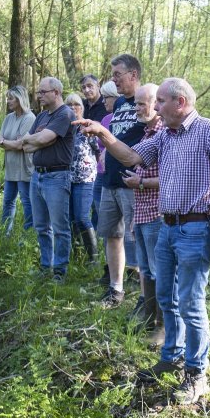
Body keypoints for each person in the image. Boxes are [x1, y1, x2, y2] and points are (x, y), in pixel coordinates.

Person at [75, 77, 210, 405]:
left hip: (196, 228)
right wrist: (102, 133)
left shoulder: (209, 130)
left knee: (190, 301)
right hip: (167, 226)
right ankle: (172, 355)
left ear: (180, 102)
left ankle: (197, 374)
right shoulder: (165, 136)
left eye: (160, 101)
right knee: (167, 296)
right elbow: (131, 157)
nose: (155, 108)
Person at [96, 54, 146, 308]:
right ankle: (116, 290)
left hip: (133, 181)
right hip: (110, 179)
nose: (113, 79)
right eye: (113, 74)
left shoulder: (147, 101)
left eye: (118, 74)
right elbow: (116, 136)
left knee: (139, 236)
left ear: (133, 75)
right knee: (112, 235)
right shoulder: (118, 104)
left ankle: (146, 296)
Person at [17, 77, 76, 283]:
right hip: (37, 175)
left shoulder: (65, 114)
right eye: (38, 92)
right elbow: (25, 145)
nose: (39, 96)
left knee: (60, 228)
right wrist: (41, 140)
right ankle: (45, 266)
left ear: (56, 93)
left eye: (43, 92)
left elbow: (38, 139)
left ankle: (59, 270)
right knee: (41, 226)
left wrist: (39, 139)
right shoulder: (42, 116)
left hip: (57, 176)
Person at [121, 83, 164, 346]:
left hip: (158, 212)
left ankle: (161, 326)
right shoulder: (147, 132)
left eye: (141, 103)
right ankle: (149, 318)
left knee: (159, 270)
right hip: (142, 210)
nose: (136, 108)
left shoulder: (163, 133)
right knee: (146, 269)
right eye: (135, 103)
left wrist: (141, 183)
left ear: (156, 104)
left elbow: (173, 178)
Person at [0, 85, 36, 233]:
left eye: (11, 98)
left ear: (20, 99)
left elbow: (21, 145)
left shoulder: (29, 118)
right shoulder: (8, 118)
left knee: (27, 202)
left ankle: (29, 234)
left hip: (24, 168)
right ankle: (4, 233)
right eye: (8, 98)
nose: (8, 101)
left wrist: (5, 142)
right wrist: (9, 142)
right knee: (8, 202)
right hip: (10, 167)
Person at [66, 92, 100, 264]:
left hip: (85, 178)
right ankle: (77, 255)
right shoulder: (64, 128)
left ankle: (93, 257)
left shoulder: (88, 127)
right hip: (67, 178)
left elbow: (99, 150)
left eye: (76, 104)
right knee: (71, 218)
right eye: (69, 105)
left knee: (82, 217)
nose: (73, 108)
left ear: (82, 107)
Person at [92, 81, 120, 286]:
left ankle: (131, 268)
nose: (103, 101)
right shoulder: (105, 119)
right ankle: (109, 267)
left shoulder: (125, 119)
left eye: (106, 97)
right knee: (105, 223)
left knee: (122, 228)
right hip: (100, 175)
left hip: (117, 176)